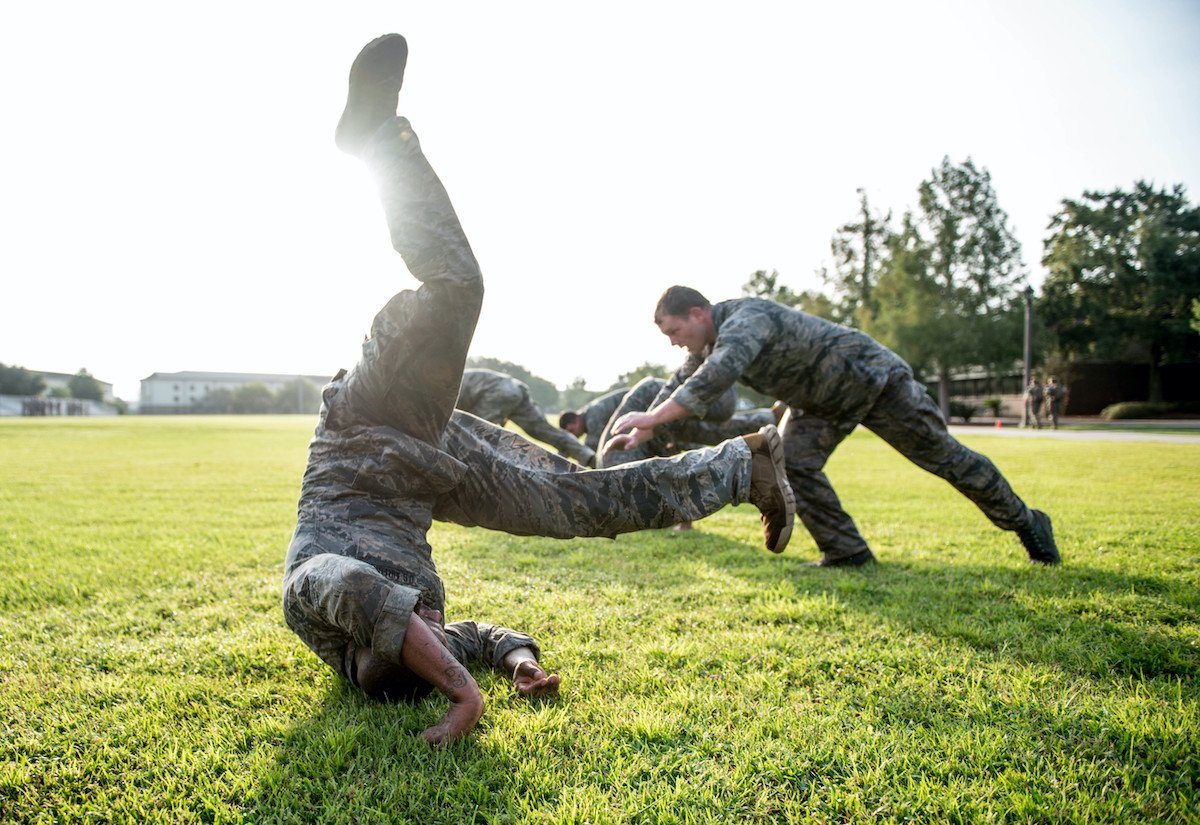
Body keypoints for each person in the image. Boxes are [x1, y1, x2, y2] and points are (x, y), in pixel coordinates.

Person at [282, 36, 796, 746]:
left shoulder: (310, 593)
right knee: (579, 505)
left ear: (370, 646)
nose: (432, 620)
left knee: (455, 289)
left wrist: (464, 696)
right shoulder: (422, 642)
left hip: (369, 429)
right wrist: (520, 664)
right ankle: (745, 467)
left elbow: (354, 587)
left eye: (422, 626)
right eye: (432, 627)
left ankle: (377, 139)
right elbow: (487, 635)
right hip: (433, 464)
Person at [606, 285, 1060, 568]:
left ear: (698, 313)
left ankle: (1028, 523)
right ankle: (846, 551)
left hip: (873, 381)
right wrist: (645, 429)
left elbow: (717, 376)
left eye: (674, 331)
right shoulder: (704, 345)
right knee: (791, 465)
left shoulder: (746, 318)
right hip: (818, 404)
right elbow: (682, 382)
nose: (674, 343)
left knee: (946, 459)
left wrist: (653, 418)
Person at [456, 368, 595, 466]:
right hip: (514, 389)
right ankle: (589, 457)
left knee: (469, 432)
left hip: (498, 392)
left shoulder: (448, 380)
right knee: (545, 431)